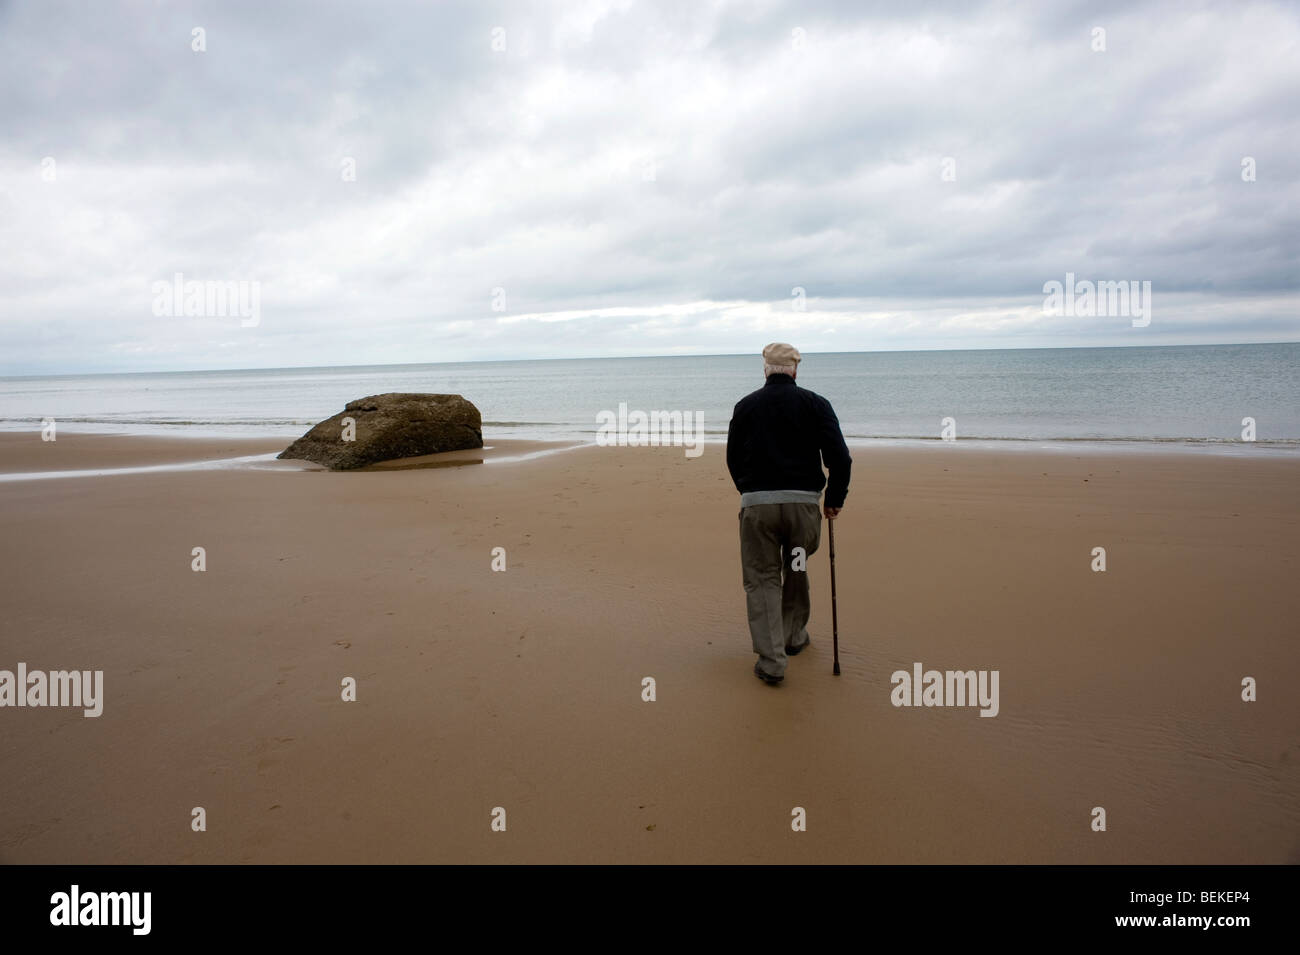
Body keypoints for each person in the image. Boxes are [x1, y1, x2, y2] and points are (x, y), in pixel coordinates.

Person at [726, 343, 852, 685]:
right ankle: (794, 637)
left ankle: (772, 661)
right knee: (795, 565)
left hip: (758, 510)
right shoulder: (815, 404)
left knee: (763, 577)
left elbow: (733, 458)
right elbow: (840, 458)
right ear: (795, 371)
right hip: (802, 510)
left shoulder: (746, 406)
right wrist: (833, 500)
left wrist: (749, 492)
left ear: (765, 369)